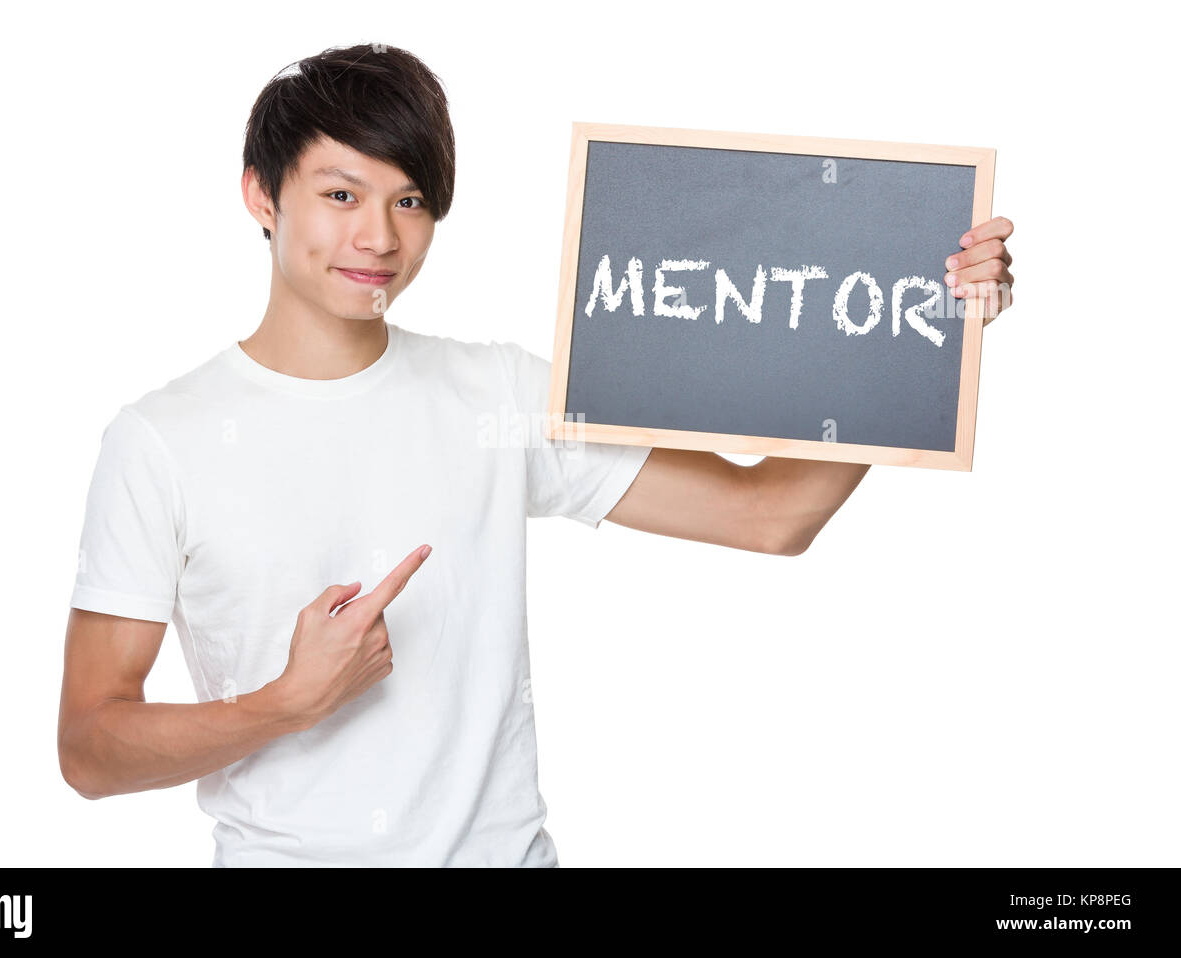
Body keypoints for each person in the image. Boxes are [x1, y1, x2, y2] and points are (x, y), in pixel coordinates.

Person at [57, 43, 1016, 867]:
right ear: (261, 195)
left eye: (411, 201)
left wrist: (926, 323)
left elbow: (769, 516)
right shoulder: (160, 442)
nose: (379, 237)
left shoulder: (500, 395)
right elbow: (90, 748)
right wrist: (284, 704)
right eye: (341, 194)